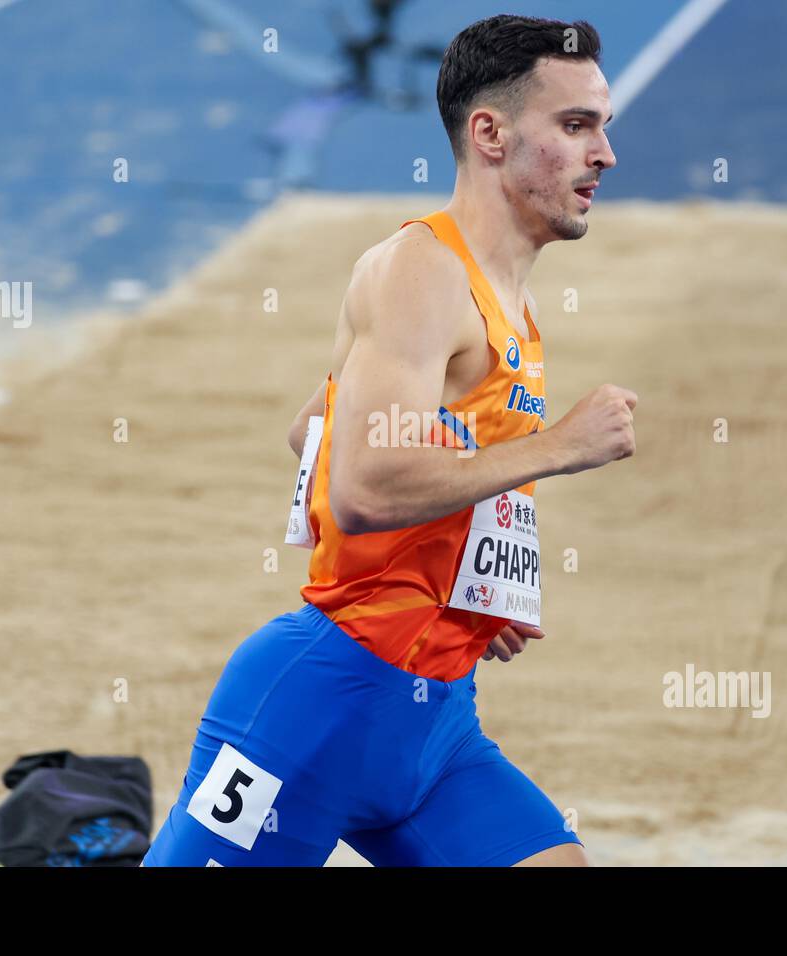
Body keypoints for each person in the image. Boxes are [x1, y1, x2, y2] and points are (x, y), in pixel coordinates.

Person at [143, 13, 634, 868]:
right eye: (575, 125)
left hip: (434, 726)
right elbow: (362, 489)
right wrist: (558, 446)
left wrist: (458, 570)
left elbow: (317, 430)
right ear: (490, 133)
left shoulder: (508, 299)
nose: (605, 155)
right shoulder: (421, 271)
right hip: (320, 710)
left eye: (602, 127)